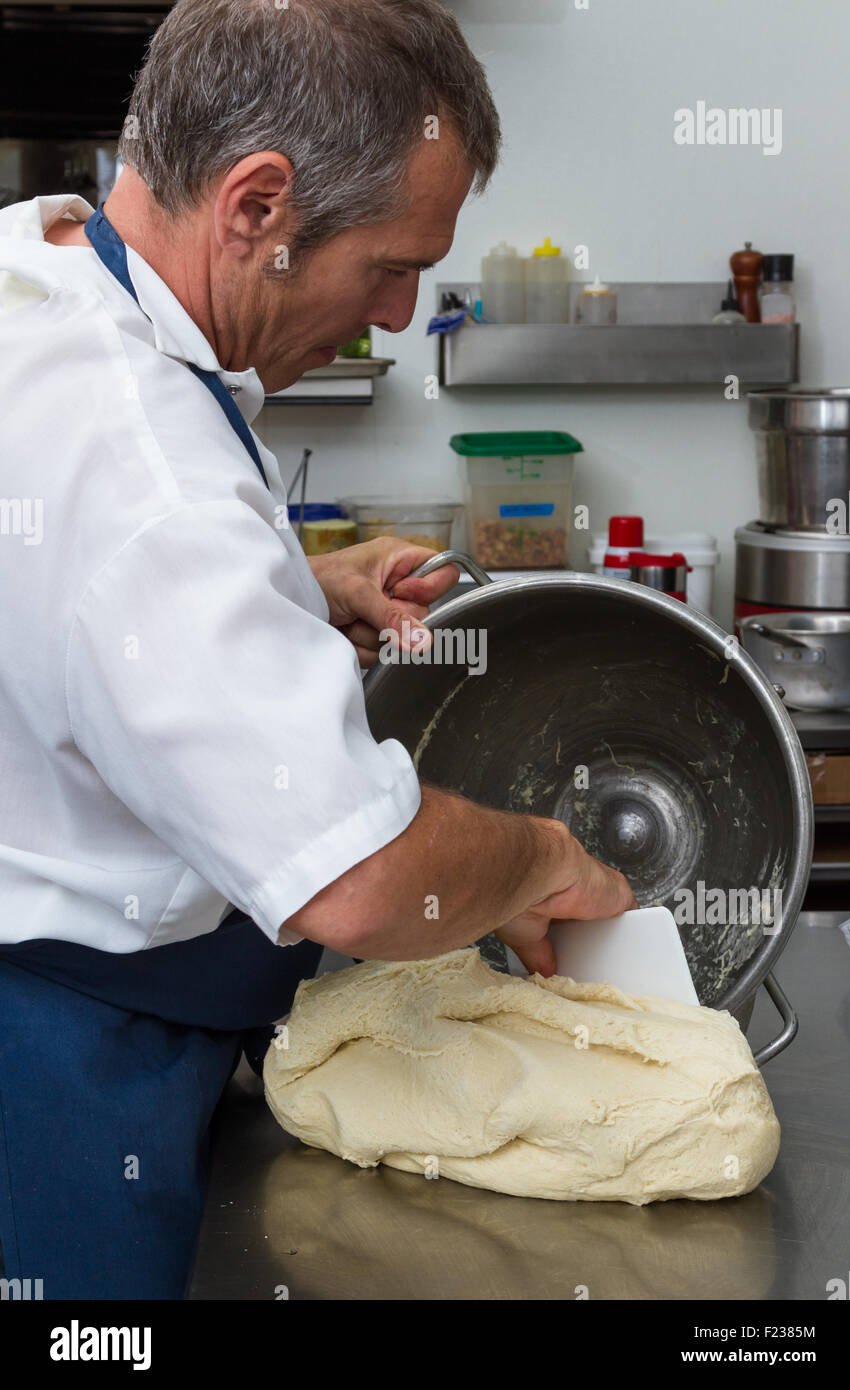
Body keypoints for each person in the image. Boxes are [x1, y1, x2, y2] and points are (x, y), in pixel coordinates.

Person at [0, 0, 634, 1300]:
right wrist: (539, 858)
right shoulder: (149, 479)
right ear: (256, 207)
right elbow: (357, 878)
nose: (397, 315)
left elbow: (66, 592)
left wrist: (293, 586)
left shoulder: (46, 263)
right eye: (391, 263)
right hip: (63, 1077)